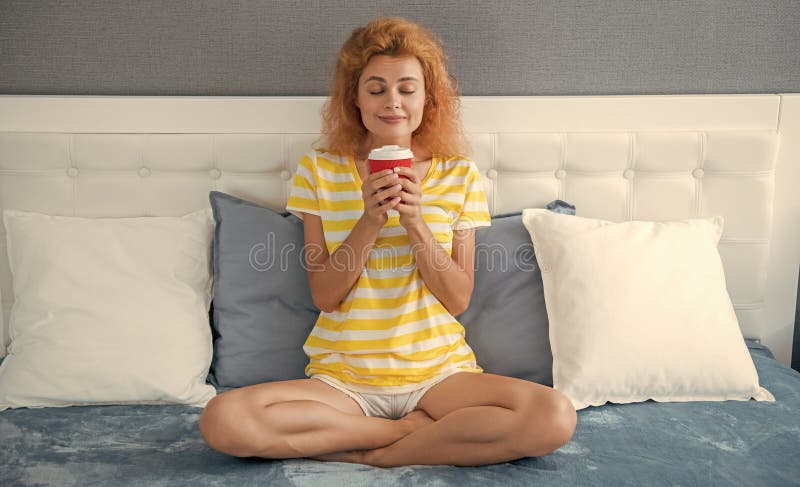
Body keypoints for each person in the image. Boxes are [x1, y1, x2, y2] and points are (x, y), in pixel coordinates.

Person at [199, 16, 576, 468]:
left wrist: (416, 222)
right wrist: (370, 220)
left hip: (440, 377)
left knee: (554, 415)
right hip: (343, 380)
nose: (392, 101)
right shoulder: (320, 170)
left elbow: (458, 298)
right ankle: (403, 436)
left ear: (427, 98)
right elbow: (325, 295)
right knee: (224, 419)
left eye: (407, 89)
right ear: (355, 99)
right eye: (376, 89)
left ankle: (370, 455)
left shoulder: (458, 174)